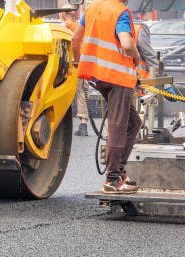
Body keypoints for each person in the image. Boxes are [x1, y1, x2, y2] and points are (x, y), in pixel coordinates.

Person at [73, 0, 142, 194]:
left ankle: (118, 172)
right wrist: (136, 56)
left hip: (99, 75)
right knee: (119, 126)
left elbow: (75, 40)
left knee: (133, 123)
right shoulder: (120, 12)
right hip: (118, 77)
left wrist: (78, 61)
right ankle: (112, 179)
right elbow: (127, 44)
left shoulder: (91, 8)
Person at [62, 5, 91, 136]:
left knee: (62, 93)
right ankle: (83, 124)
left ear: (63, 14)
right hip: (82, 64)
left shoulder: (62, 27)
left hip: (68, 66)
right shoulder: (80, 28)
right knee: (82, 94)